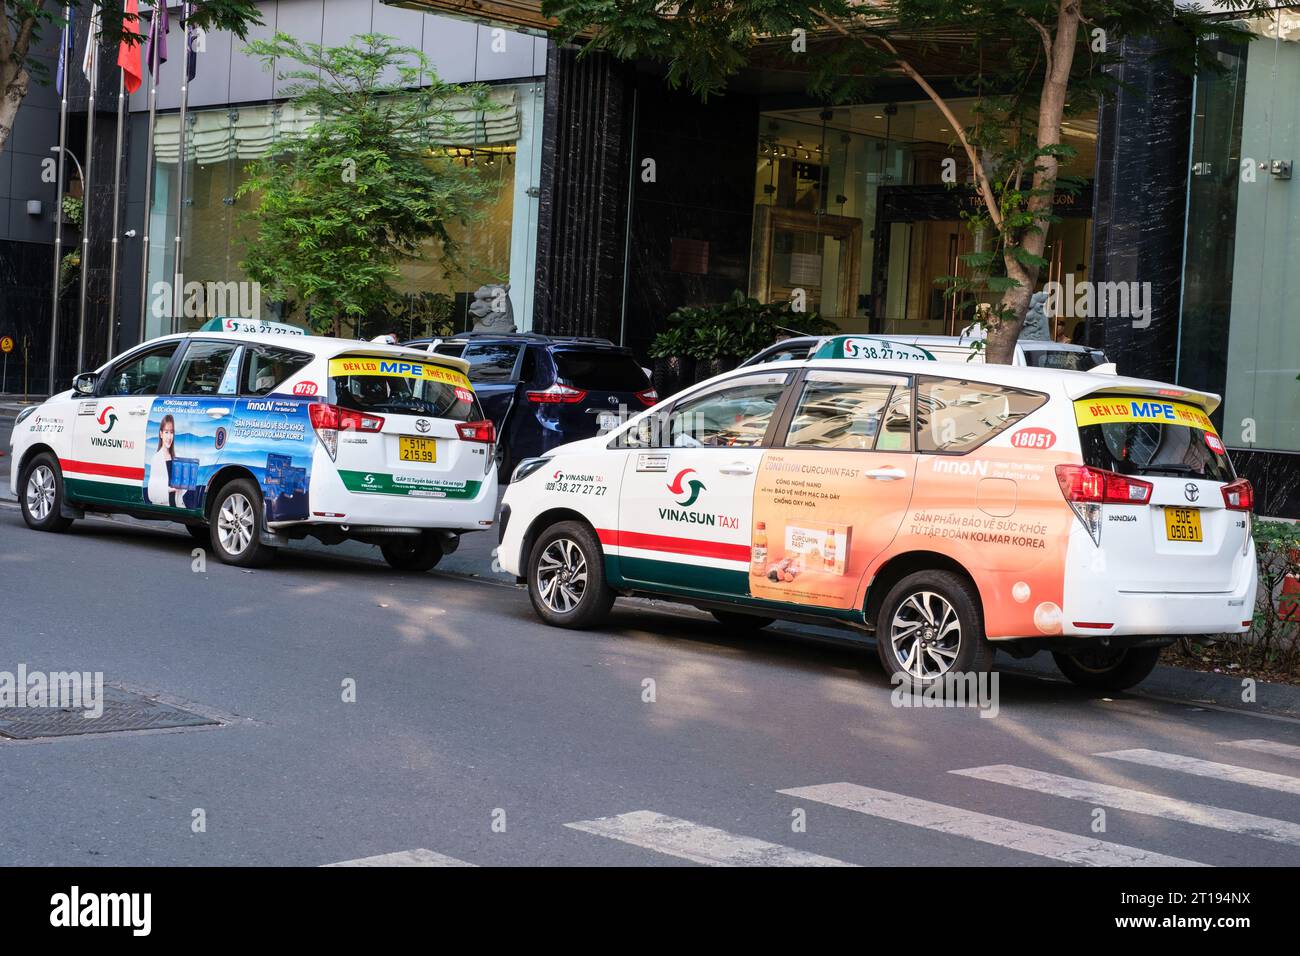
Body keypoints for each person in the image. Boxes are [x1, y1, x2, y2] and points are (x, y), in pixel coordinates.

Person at [146, 414, 183, 506]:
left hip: (177, 506)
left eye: (171, 432)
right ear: (161, 434)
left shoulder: (177, 457)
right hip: (163, 507)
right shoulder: (156, 459)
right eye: (166, 432)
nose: (169, 437)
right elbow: (152, 492)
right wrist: (170, 489)